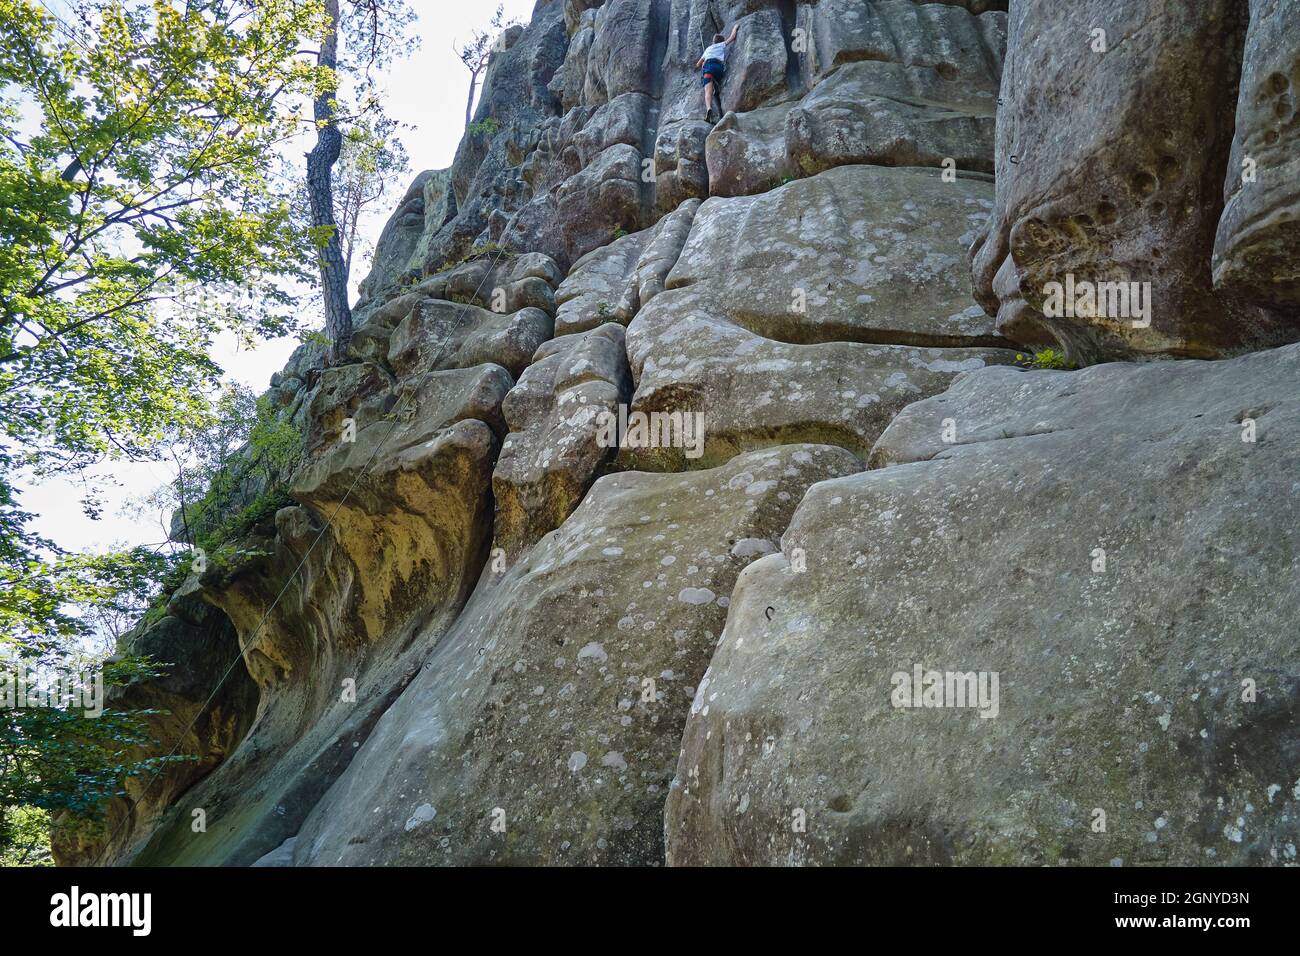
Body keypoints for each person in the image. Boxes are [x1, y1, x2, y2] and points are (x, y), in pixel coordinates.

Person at [695, 23, 739, 122]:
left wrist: (702, 63)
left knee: (708, 92)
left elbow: (698, 64)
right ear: (721, 41)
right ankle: (716, 83)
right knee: (716, 79)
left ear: (713, 42)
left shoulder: (707, 49)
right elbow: (732, 37)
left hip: (708, 68)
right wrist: (735, 27)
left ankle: (709, 108)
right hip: (718, 67)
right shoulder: (721, 45)